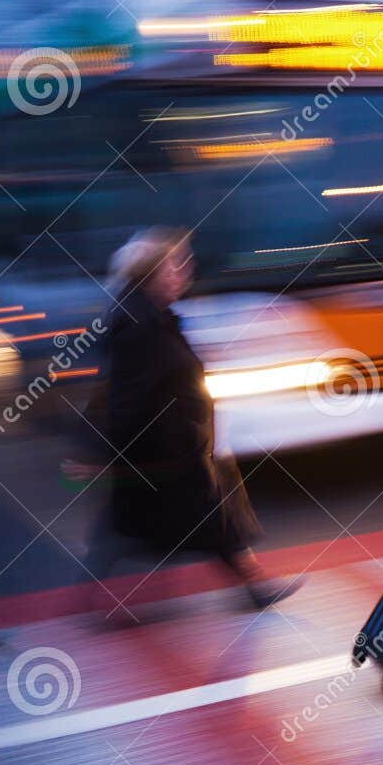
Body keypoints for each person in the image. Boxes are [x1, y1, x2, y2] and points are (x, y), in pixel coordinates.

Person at [80, 227, 300, 615]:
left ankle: (252, 585)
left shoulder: (151, 316)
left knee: (149, 525)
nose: (183, 273)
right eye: (173, 267)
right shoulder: (139, 325)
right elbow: (130, 395)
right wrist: (115, 451)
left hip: (177, 445)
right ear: (149, 275)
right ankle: (254, 585)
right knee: (202, 516)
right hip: (165, 450)